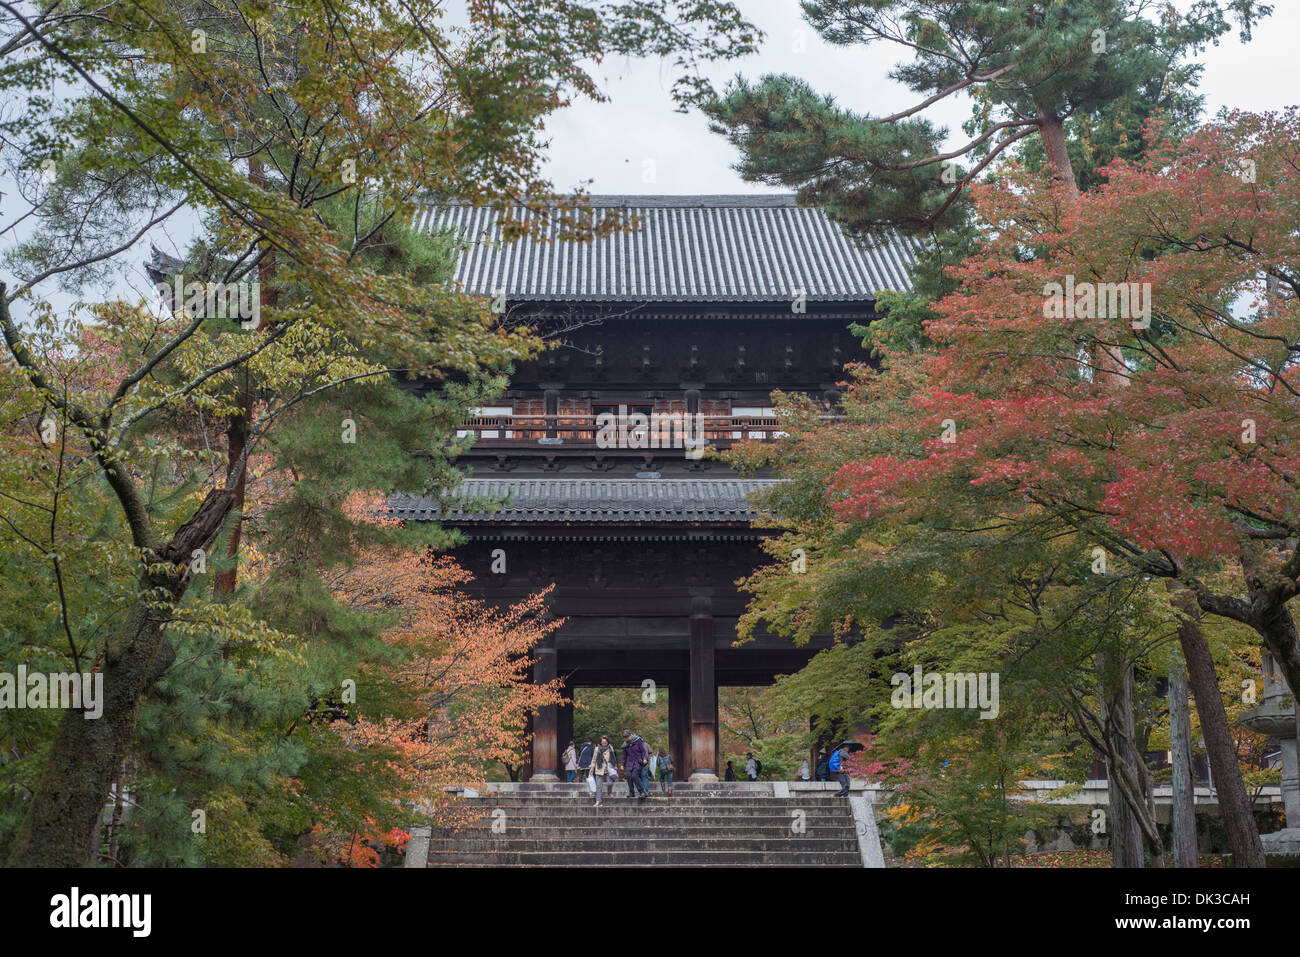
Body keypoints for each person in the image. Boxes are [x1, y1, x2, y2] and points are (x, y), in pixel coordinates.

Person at [588, 735, 617, 805]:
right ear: (600, 742)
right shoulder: (597, 749)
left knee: (610, 783)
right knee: (599, 786)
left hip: (609, 769)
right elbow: (594, 759)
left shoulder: (611, 748)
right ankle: (598, 801)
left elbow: (614, 759)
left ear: (607, 742)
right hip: (599, 768)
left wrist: (615, 767)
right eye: (603, 742)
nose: (604, 743)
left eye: (605, 742)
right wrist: (592, 768)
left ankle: (609, 793)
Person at [622, 728, 650, 800]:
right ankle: (631, 792)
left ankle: (642, 792)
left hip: (638, 762)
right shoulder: (625, 745)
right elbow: (624, 756)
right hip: (630, 763)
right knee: (628, 776)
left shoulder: (638, 741)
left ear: (631, 735)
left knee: (634, 776)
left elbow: (643, 751)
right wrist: (622, 764)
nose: (626, 738)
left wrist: (644, 758)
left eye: (627, 736)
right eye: (625, 737)